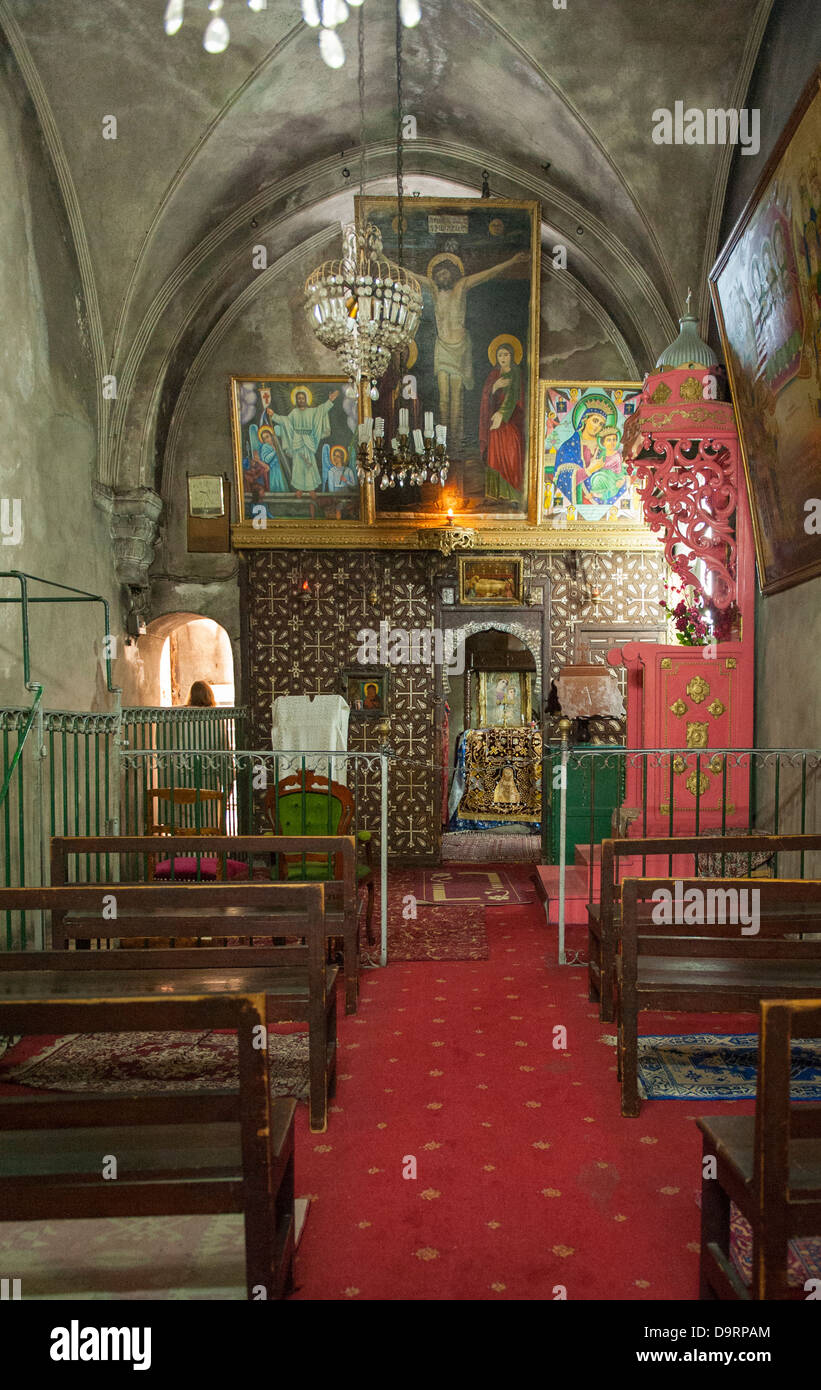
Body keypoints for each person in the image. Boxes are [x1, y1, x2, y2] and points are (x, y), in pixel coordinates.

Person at [417, 248, 529, 451]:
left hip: (460, 347)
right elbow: (410, 276)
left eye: (446, 272)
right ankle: (444, 442)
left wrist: (512, 260)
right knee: (443, 397)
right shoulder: (433, 290)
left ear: (453, 274)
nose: (443, 276)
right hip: (442, 347)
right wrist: (381, 259)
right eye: (439, 273)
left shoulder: (462, 286)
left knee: (457, 397)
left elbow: (489, 273)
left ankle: (457, 440)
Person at [479, 341, 525, 501]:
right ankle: (494, 494)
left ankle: (512, 493)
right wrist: (494, 387)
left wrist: (502, 414)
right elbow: (486, 397)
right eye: (500, 355)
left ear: (512, 356)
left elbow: (514, 396)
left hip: (512, 418)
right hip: (494, 417)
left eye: (506, 354)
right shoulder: (493, 375)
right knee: (494, 446)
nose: (503, 358)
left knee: (511, 441)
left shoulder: (516, 372)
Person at [270, 388, 339, 493]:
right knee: (298, 465)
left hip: (309, 441)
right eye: (298, 398)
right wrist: (273, 415)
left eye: (302, 398)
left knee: (309, 464)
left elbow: (321, 410)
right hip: (297, 441)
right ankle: (299, 489)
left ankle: (311, 488)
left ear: (306, 399)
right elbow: (285, 421)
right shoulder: (294, 412)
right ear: (296, 401)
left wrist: (330, 401)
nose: (301, 400)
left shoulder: (312, 411)